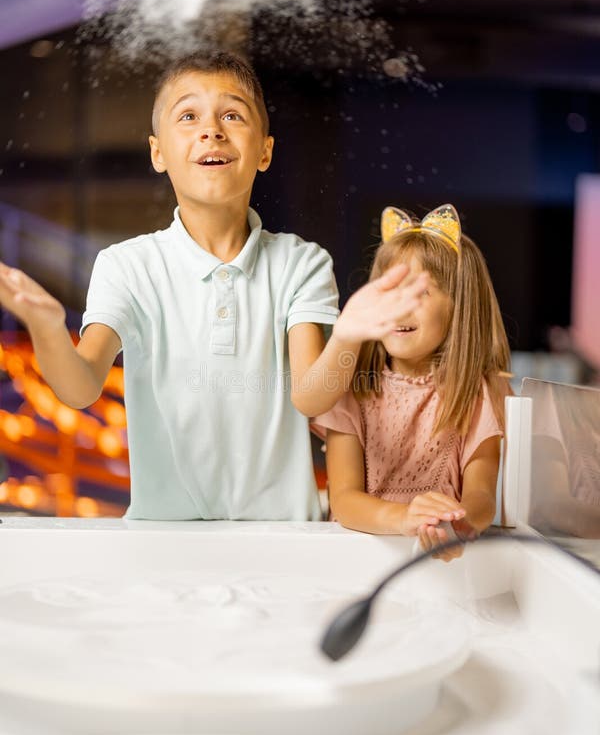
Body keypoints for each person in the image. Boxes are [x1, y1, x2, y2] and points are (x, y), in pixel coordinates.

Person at [0, 52, 428, 522]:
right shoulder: (127, 266)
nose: (212, 130)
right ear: (157, 152)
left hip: (283, 537)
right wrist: (46, 326)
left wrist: (348, 335)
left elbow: (311, 396)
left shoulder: (301, 262)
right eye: (188, 116)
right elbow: (80, 388)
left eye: (232, 114)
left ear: (264, 151)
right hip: (162, 538)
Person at [313, 204, 511, 560]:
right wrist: (406, 518)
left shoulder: (473, 393)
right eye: (392, 291)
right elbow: (343, 500)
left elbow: (482, 495)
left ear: (459, 307)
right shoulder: (352, 388)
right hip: (355, 559)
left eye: (420, 292)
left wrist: (456, 526)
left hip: (437, 560)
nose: (401, 307)